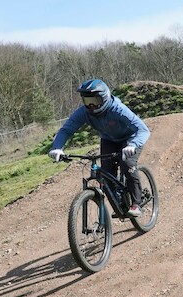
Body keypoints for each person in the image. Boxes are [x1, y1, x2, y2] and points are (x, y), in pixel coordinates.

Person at [48, 79, 150, 217]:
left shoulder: (118, 109)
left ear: (104, 97)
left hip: (130, 139)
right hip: (109, 140)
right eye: (86, 100)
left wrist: (133, 145)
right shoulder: (84, 112)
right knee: (106, 173)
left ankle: (136, 203)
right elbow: (67, 129)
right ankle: (120, 201)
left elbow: (143, 129)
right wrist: (57, 147)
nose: (90, 105)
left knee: (127, 164)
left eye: (94, 100)